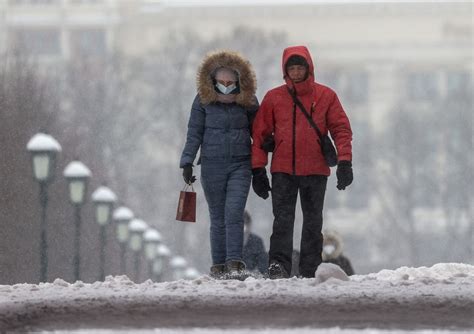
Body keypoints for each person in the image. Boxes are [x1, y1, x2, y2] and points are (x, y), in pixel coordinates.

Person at [251, 45, 353, 279]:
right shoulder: (274, 98)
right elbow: (259, 135)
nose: (296, 72)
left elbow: (341, 129)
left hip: (316, 170)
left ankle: (310, 267)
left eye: (300, 68)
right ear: (285, 70)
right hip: (283, 170)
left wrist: (345, 161)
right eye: (292, 68)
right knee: (282, 221)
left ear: (309, 68)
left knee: (313, 222)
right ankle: (278, 265)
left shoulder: (326, 96)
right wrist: (258, 170)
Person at [179, 50, 259, 280]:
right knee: (218, 217)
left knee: (234, 213)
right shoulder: (203, 100)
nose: (225, 86)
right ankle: (219, 265)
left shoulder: (248, 100)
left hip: (240, 165)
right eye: (221, 82)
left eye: (230, 82)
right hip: (212, 166)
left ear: (238, 81)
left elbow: (260, 131)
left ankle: (234, 261)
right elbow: (194, 133)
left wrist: (263, 157)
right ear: (212, 81)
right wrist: (187, 162)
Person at [242, 211, 268, 275]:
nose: (244, 228)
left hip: (251, 277)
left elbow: (263, 264)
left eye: (246, 224)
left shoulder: (257, 241)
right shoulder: (228, 242)